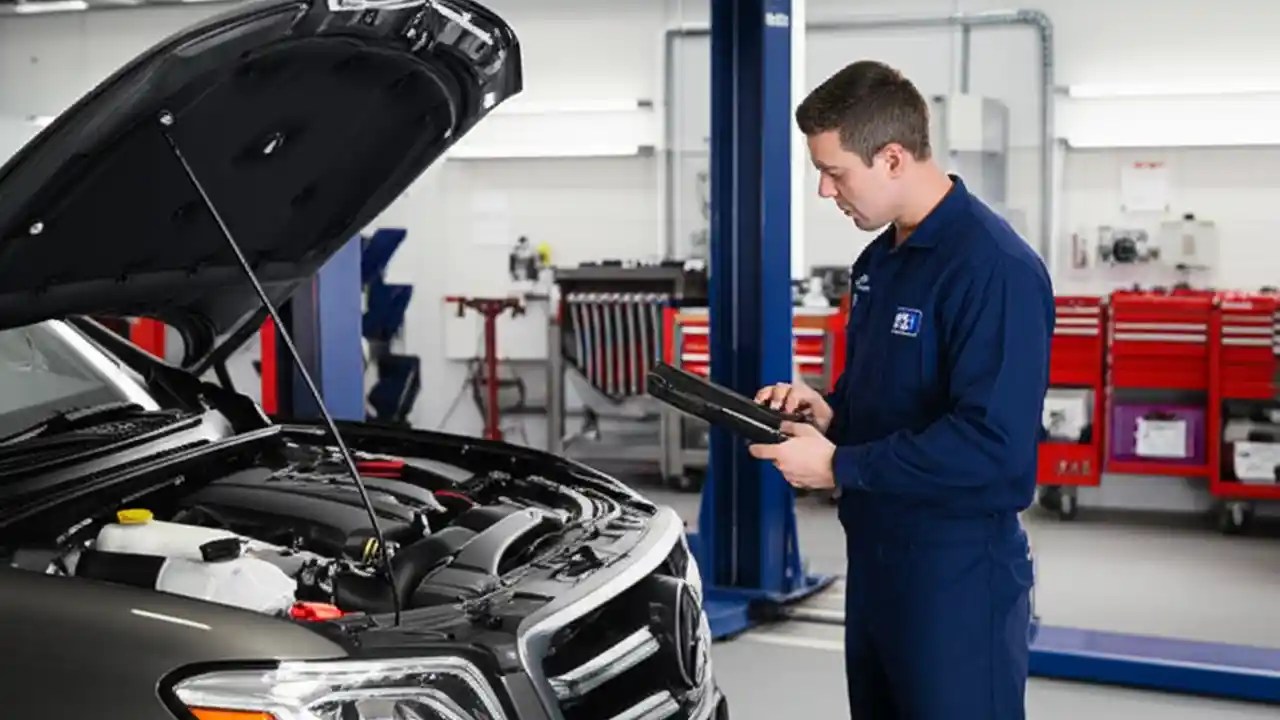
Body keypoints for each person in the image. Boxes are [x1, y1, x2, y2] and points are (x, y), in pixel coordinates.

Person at [749, 60, 1054, 719]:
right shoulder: (879, 262)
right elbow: (896, 405)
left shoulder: (994, 269)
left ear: (891, 158)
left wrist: (837, 464)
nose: (827, 192)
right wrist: (831, 417)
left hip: (957, 578)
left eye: (835, 173)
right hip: (878, 558)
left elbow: (994, 448)